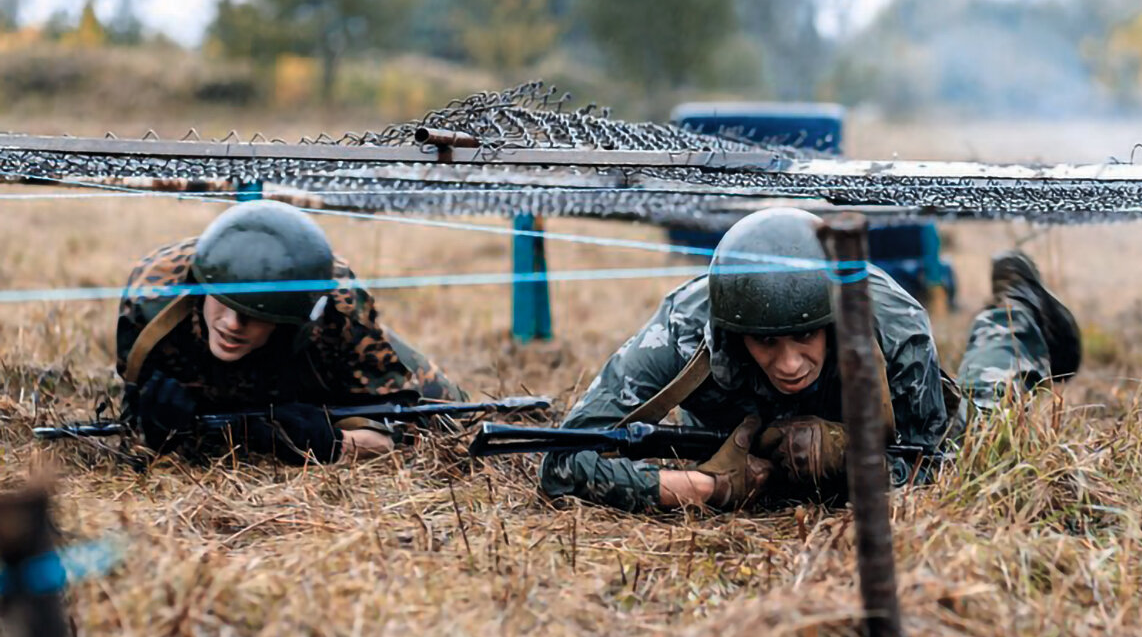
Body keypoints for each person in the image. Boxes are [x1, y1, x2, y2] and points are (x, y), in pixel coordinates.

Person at [539, 207, 1080, 512]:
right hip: (725, 458)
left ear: (835, 322)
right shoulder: (684, 332)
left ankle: (1015, 314)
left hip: (875, 432)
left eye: (805, 338)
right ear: (734, 332)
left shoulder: (890, 325)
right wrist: (701, 487)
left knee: (987, 415)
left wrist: (850, 462)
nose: (789, 363)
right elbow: (561, 463)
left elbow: (940, 467)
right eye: (765, 343)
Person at [116, 199, 469, 464]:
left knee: (453, 413)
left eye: (253, 315)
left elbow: (397, 427)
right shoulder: (152, 298)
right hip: (211, 377)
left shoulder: (341, 313)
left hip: (313, 372)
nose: (232, 325)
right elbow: (132, 421)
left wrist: (335, 443)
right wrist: (158, 426)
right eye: (223, 302)